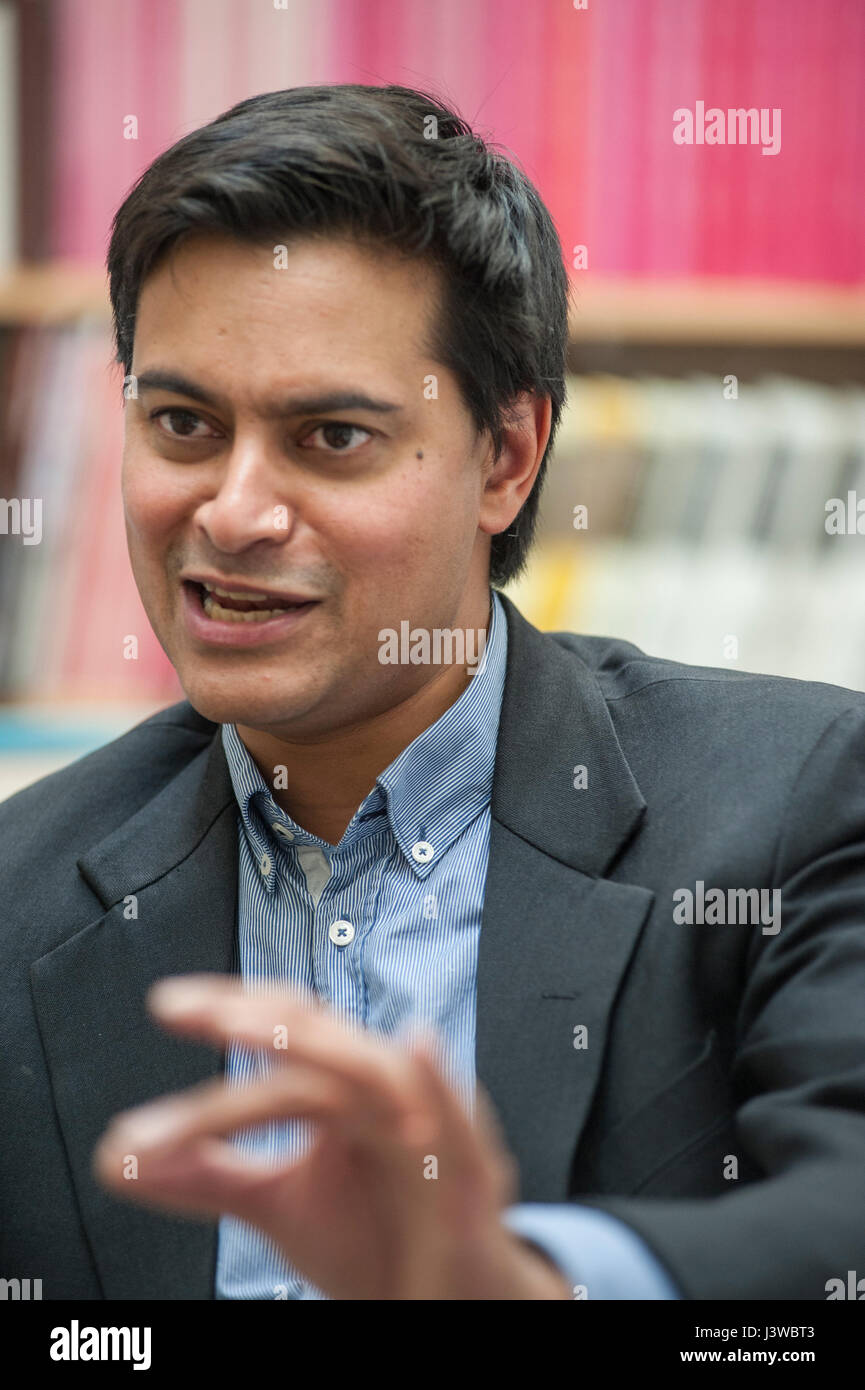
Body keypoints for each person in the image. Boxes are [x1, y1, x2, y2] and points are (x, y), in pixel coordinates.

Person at [2, 83, 864, 1301]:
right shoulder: (19, 894)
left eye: (330, 437)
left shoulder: (791, 802)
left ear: (505, 458)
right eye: (184, 423)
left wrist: (513, 1284)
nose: (233, 514)